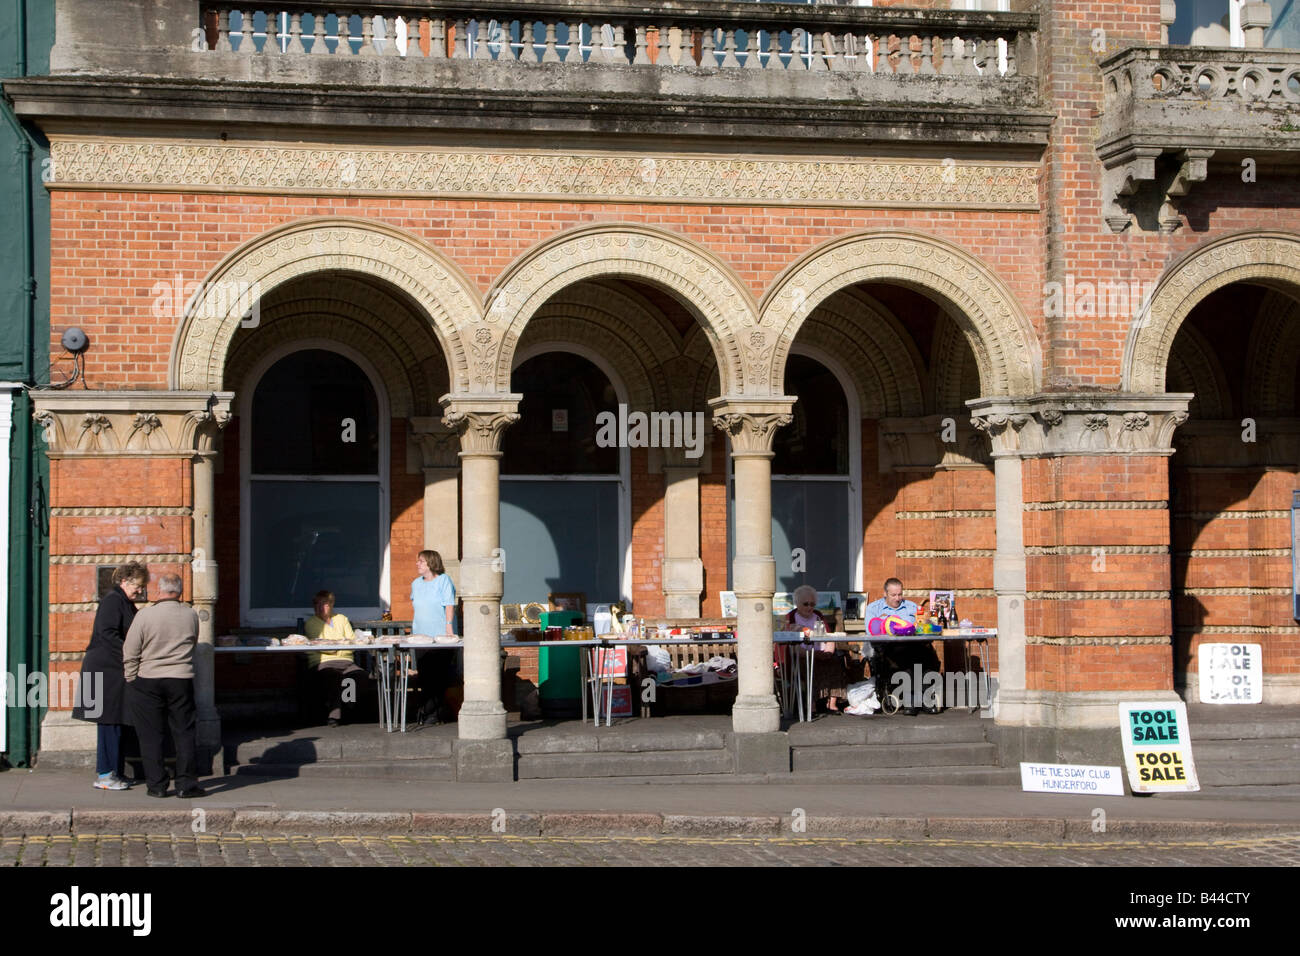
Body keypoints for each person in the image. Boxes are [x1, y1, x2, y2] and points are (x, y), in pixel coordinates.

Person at [123, 573, 206, 798]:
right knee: (184, 733)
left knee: (150, 735)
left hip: (148, 679)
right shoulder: (190, 615)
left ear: (159, 590)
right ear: (179, 591)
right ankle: (186, 785)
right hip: (181, 678)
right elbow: (194, 643)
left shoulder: (144, 615)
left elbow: (130, 650)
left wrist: (132, 678)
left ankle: (157, 786)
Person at [74, 562, 148, 791]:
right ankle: (105, 776)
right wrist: (131, 655)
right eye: (137, 586)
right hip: (105, 671)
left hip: (111, 670)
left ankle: (113, 773)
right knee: (109, 722)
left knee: (116, 722)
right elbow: (107, 634)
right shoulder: (113, 601)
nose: (140, 591)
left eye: (142, 587)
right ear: (124, 581)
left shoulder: (122, 601)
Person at [864, 577, 941, 716]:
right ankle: (910, 699)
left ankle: (926, 698)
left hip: (914, 646)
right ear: (885, 594)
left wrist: (925, 623)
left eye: (900, 594)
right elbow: (871, 632)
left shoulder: (911, 607)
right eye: (893, 595)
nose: (897, 598)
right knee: (907, 657)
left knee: (928, 654)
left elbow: (920, 626)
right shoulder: (873, 608)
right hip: (888, 648)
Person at [785, 585, 857, 714]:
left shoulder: (817, 615)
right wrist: (813, 654)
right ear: (797, 603)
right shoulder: (791, 617)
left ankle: (832, 704)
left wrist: (828, 652)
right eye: (806, 604)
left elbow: (829, 637)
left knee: (835, 662)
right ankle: (811, 706)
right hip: (802, 655)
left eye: (812, 604)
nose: (809, 607)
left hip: (821, 653)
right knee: (810, 665)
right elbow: (791, 645)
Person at [303, 589, 365, 727]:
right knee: (334, 677)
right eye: (317, 604)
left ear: (331, 605)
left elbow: (352, 640)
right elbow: (322, 645)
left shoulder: (342, 619)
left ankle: (348, 707)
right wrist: (339, 644)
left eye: (324, 604)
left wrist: (336, 644)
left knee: (358, 676)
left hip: (347, 662)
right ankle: (334, 717)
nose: (320, 607)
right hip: (324, 662)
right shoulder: (311, 623)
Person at [411, 550, 458, 725]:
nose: (418, 564)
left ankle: (432, 714)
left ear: (431, 563)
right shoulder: (415, 584)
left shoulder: (443, 580)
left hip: (440, 637)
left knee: (438, 677)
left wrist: (448, 626)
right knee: (425, 676)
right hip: (420, 636)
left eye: (421, 561)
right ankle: (430, 712)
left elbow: (449, 604)